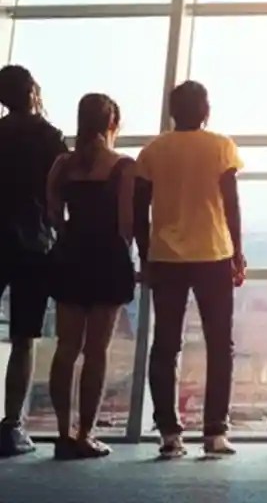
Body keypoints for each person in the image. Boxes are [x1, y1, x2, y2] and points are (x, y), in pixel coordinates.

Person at [135, 81, 245, 460]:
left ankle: (169, 433)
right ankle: (215, 432)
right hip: (213, 253)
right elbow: (231, 202)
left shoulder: (152, 151)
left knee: (165, 345)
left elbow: (139, 210)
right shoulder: (220, 146)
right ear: (205, 111)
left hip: (165, 256)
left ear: (172, 112)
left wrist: (145, 255)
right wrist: (238, 252)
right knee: (220, 345)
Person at [44, 94, 136, 460]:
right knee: (97, 351)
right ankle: (86, 433)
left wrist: (70, 236)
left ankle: (62, 433)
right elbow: (126, 224)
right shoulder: (122, 166)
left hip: (71, 256)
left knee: (66, 347)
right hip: (107, 258)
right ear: (113, 124)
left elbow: (53, 214)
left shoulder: (62, 164)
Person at [0, 65, 66, 457]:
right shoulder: (49, 138)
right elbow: (59, 191)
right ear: (32, 92)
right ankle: (11, 425)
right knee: (24, 338)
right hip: (34, 244)